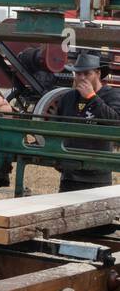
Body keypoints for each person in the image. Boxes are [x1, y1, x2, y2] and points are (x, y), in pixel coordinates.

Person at [53, 53, 120, 192]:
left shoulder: (111, 95)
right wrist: (59, 161)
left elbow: (116, 122)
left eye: (87, 73)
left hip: (98, 174)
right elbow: (55, 127)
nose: (82, 78)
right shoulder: (68, 98)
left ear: (98, 73)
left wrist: (92, 98)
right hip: (70, 175)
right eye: (78, 74)